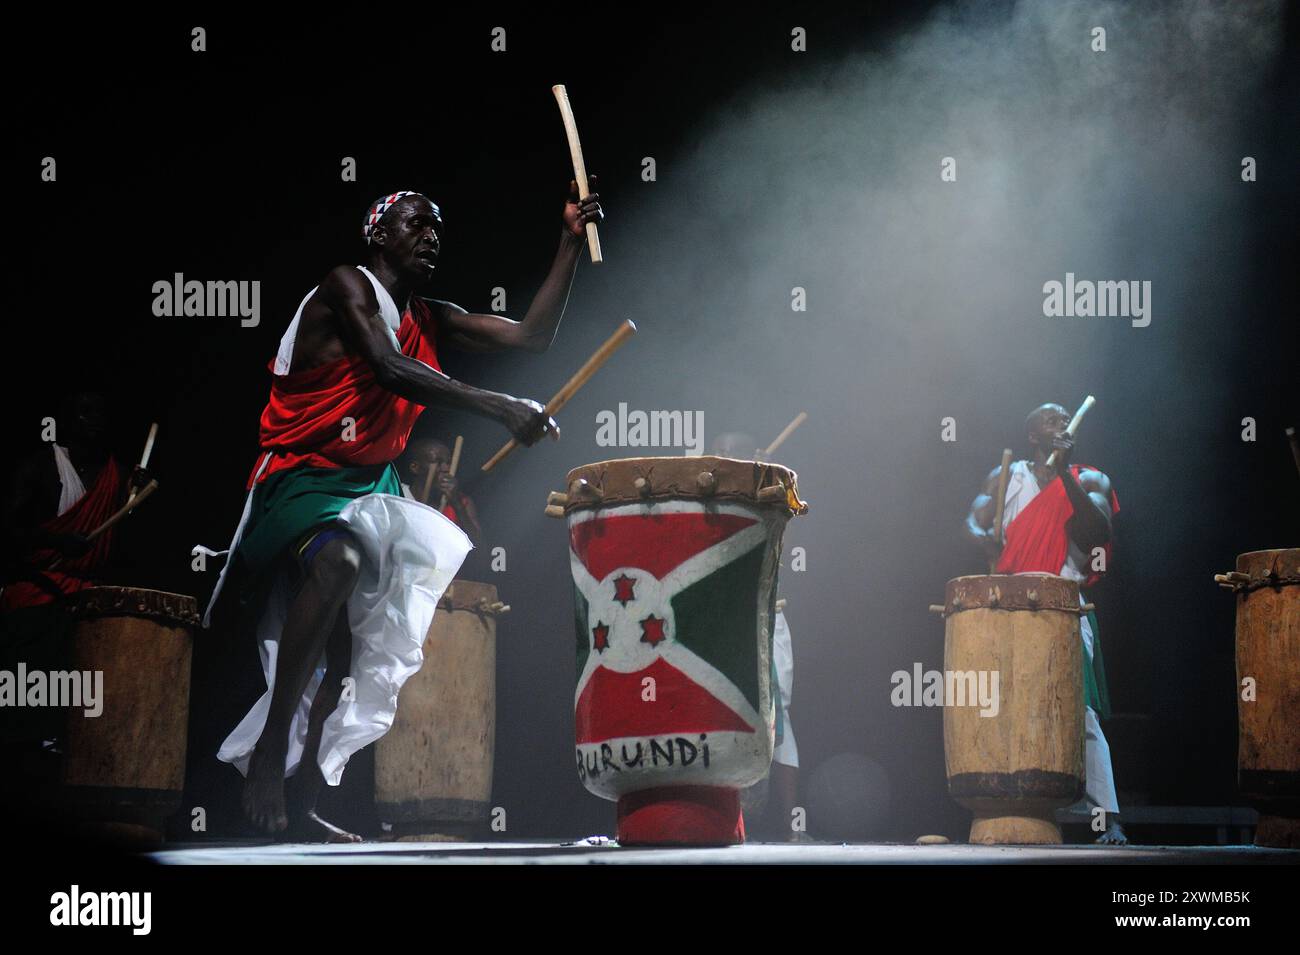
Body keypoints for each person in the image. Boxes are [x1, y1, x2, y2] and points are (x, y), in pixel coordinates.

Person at [206, 183, 603, 841]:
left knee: (354, 645)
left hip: (370, 483)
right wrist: (503, 407)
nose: (432, 234)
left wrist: (566, 241)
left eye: (439, 226)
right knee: (338, 564)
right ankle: (270, 753)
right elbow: (389, 368)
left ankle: (304, 801)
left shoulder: (429, 312)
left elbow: (530, 335)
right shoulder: (345, 285)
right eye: (416, 222)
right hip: (304, 475)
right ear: (378, 233)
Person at [962, 402, 1125, 844]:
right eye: (1051, 420)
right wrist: (985, 539)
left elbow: (1097, 535)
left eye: (1065, 419)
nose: (1061, 424)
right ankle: (1011, 808)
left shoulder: (1089, 479)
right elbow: (971, 522)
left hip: (1062, 602)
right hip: (1009, 607)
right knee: (1007, 708)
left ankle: (1107, 819)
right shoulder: (1006, 477)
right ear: (1033, 436)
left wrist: (1066, 475)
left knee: (1079, 711)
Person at [1, 391, 149, 773]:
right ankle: (29, 740)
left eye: (99, 412)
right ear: (67, 419)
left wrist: (130, 500)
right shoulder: (40, 467)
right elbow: (8, 533)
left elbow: (120, 545)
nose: (93, 420)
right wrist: (55, 542)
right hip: (40, 584)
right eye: (84, 412)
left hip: (88, 590)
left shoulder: (115, 474)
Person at [712, 431, 802, 838]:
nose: (735, 460)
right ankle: (725, 821)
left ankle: (787, 826)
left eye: (742, 454)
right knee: (721, 705)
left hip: (767, 609)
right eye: (727, 455)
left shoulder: (770, 490)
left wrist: (762, 482)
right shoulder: (704, 496)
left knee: (777, 706)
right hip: (721, 613)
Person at [398, 435, 482, 547]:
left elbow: (479, 549)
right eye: (438, 462)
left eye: (448, 462)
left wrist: (457, 504)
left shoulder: (461, 502)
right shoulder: (398, 495)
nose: (446, 468)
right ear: (415, 467)